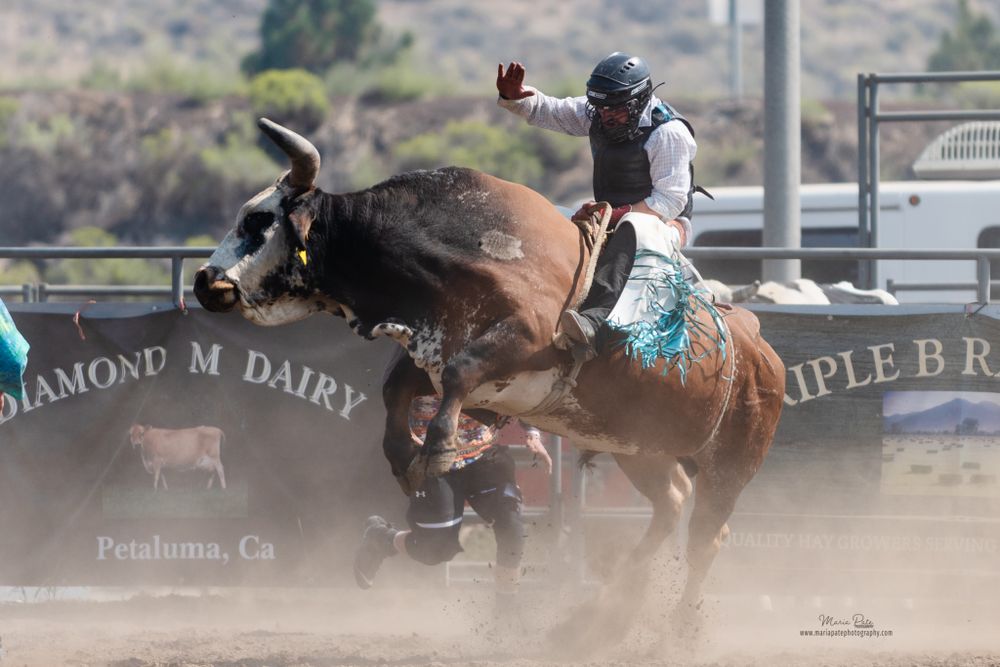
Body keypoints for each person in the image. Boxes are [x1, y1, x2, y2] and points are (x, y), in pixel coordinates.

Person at [496, 53, 704, 357]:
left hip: (663, 224)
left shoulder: (668, 132)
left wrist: (610, 215)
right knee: (550, 216)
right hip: (609, 215)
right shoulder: (601, 111)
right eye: (601, 108)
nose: (606, 116)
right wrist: (515, 97)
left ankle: (595, 320)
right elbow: (553, 110)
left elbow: (669, 201)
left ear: (639, 100)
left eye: (616, 109)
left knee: (635, 226)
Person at [353, 394, 552, 604]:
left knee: (512, 528)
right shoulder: (415, 362)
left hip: (484, 453)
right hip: (433, 457)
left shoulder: (483, 361)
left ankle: (505, 613)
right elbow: (397, 385)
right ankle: (382, 539)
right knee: (434, 549)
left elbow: (513, 378)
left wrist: (532, 432)